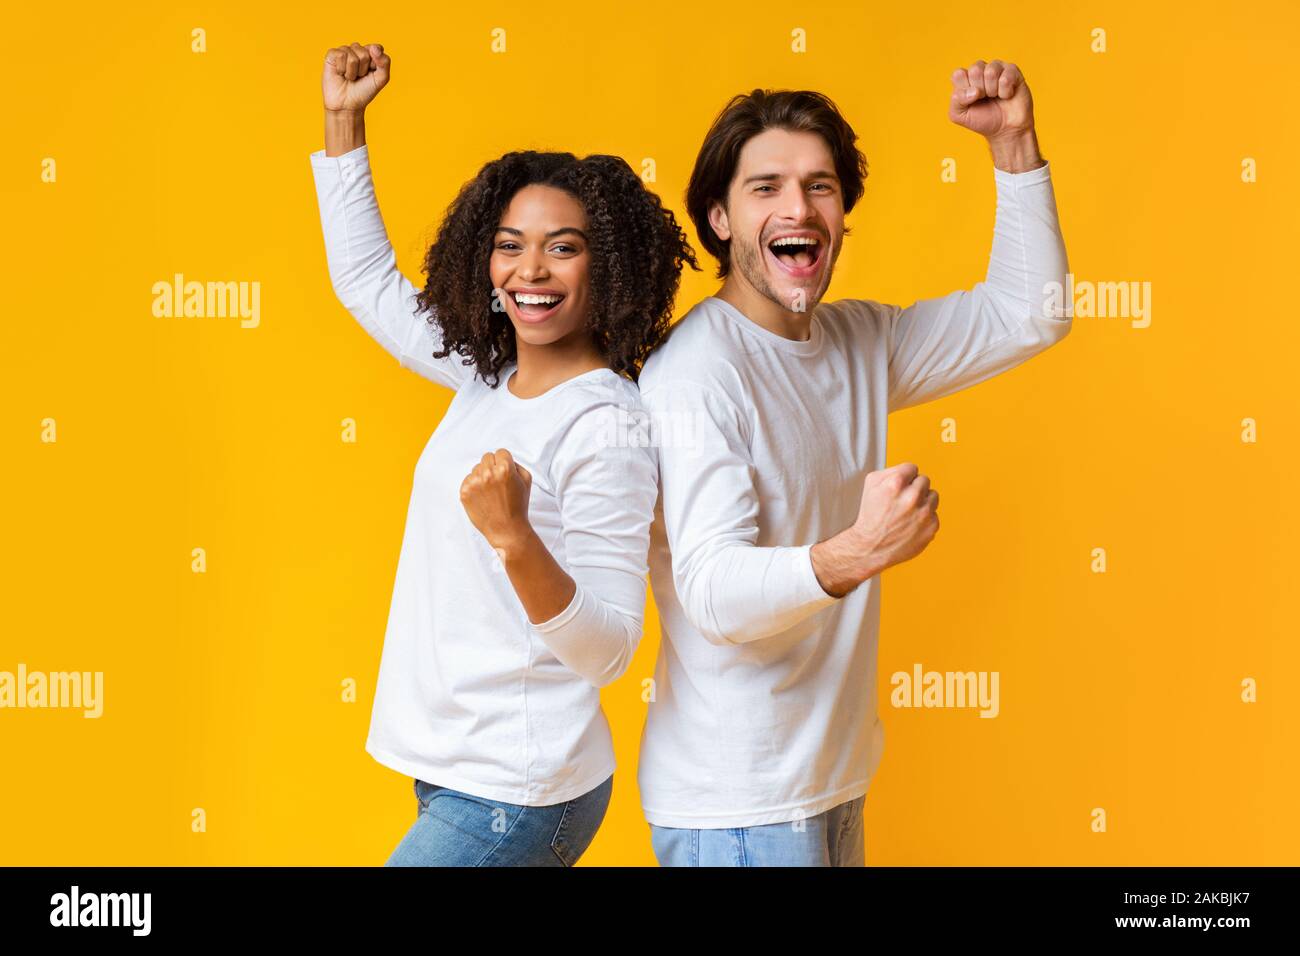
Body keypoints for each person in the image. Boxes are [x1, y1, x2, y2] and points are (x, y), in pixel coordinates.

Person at [637, 60, 1071, 866]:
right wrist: (857, 552)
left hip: (829, 785)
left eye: (820, 187)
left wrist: (1012, 146)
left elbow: (1030, 315)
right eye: (765, 187)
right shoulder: (698, 374)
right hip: (740, 809)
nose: (797, 207)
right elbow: (711, 592)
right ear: (720, 219)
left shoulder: (858, 342)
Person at [309, 42, 697, 866]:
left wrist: (516, 537)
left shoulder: (606, 424)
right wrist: (345, 122)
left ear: (610, 267)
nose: (531, 270)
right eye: (511, 244)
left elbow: (611, 649)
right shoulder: (486, 375)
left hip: (517, 787)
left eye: (563, 247)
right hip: (451, 767)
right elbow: (367, 284)